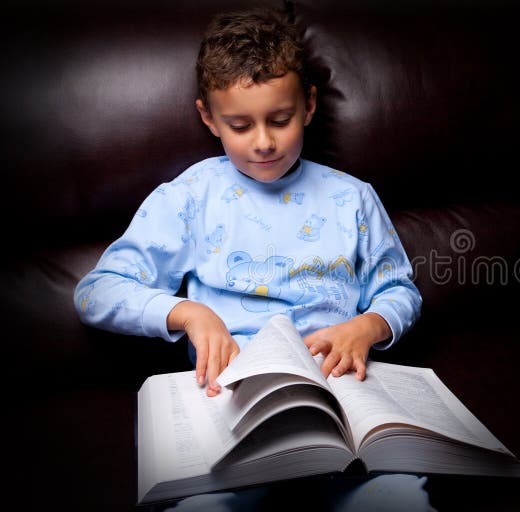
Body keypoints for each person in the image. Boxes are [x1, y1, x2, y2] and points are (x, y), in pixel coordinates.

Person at [74, 7, 427, 511]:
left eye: (280, 120)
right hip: (231, 400)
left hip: (337, 396)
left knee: (398, 495)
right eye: (239, 125)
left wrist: (370, 325)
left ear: (308, 106)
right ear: (208, 118)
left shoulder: (353, 198)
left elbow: (400, 289)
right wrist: (189, 314)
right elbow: (96, 291)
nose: (263, 142)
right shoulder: (191, 196)